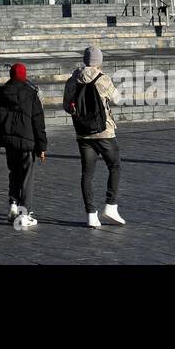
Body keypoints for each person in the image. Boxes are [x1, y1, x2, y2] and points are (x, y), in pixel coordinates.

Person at [63, 45, 126, 229]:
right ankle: (111, 205)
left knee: (87, 174)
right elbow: (117, 99)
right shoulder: (103, 79)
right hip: (104, 131)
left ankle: (91, 214)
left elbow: (67, 106)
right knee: (114, 165)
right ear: (99, 62)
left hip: (83, 133)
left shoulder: (72, 80)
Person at [0, 62, 47, 226]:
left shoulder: (1, 93)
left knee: (14, 172)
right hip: (28, 142)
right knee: (27, 176)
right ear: (24, 75)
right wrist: (42, 147)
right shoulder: (31, 94)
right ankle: (24, 213)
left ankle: (13, 203)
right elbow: (38, 123)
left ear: (11, 75)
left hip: (9, 141)